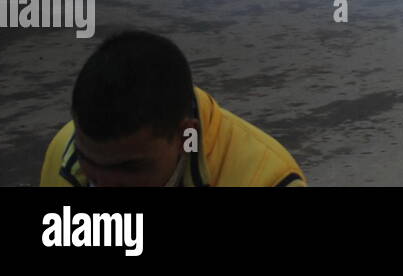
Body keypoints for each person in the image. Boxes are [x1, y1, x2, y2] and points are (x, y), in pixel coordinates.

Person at [41, 30, 306, 187]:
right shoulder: (64, 151)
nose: (102, 183)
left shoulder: (268, 180)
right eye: (89, 162)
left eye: (129, 168)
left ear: (186, 136)